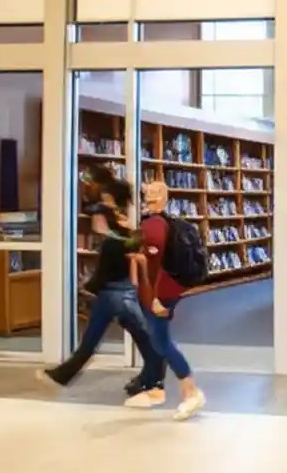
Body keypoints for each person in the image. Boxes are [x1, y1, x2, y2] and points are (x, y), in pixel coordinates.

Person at [38, 168, 162, 404]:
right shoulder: (120, 230)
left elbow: (105, 230)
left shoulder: (120, 234)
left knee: (139, 338)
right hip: (112, 294)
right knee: (131, 338)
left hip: (118, 294)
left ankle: (154, 376)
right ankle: (62, 375)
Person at [123, 181, 206, 421]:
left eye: (157, 192)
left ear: (165, 198)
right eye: (149, 190)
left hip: (159, 294)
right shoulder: (154, 224)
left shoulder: (154, 226)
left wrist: (158, 299)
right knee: (155, 339)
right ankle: (154, 388)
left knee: (161, 342)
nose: (151, 194)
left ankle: (190, 391)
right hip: (159, 293)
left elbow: (155, 267)